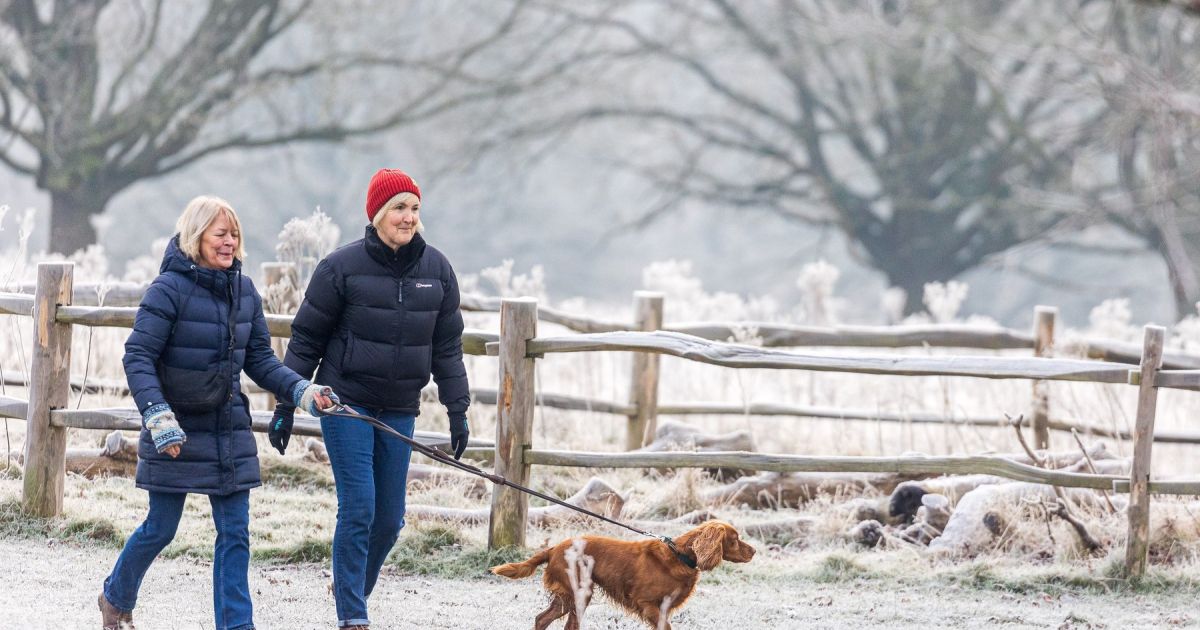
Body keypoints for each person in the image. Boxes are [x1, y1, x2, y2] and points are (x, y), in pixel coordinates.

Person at [100, 195, 339, 630]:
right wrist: (157, 416)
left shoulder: (244, 291)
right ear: (196, 237)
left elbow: (262, 361)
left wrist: (303, 391)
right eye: (219, 234)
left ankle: (235, 625)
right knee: (161, 527)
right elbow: (137, 356)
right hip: (174, 428)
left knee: (235, 534)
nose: (229, 242)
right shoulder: (167, 290)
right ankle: (115, 596)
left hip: (227, 429)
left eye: (234, 235)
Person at [268, 168, 471, 629]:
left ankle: (349, 588)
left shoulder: (437, 271)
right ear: (378, 214)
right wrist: (285, 403)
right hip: (346, 402)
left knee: (389, 520)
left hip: (401, 407)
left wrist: (458, 409)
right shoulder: (340, 268)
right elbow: (305, 341)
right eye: (399, 208)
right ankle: (353, 616)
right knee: (359, 505)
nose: (409, 217)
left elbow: (447, 347)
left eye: (415, 209)